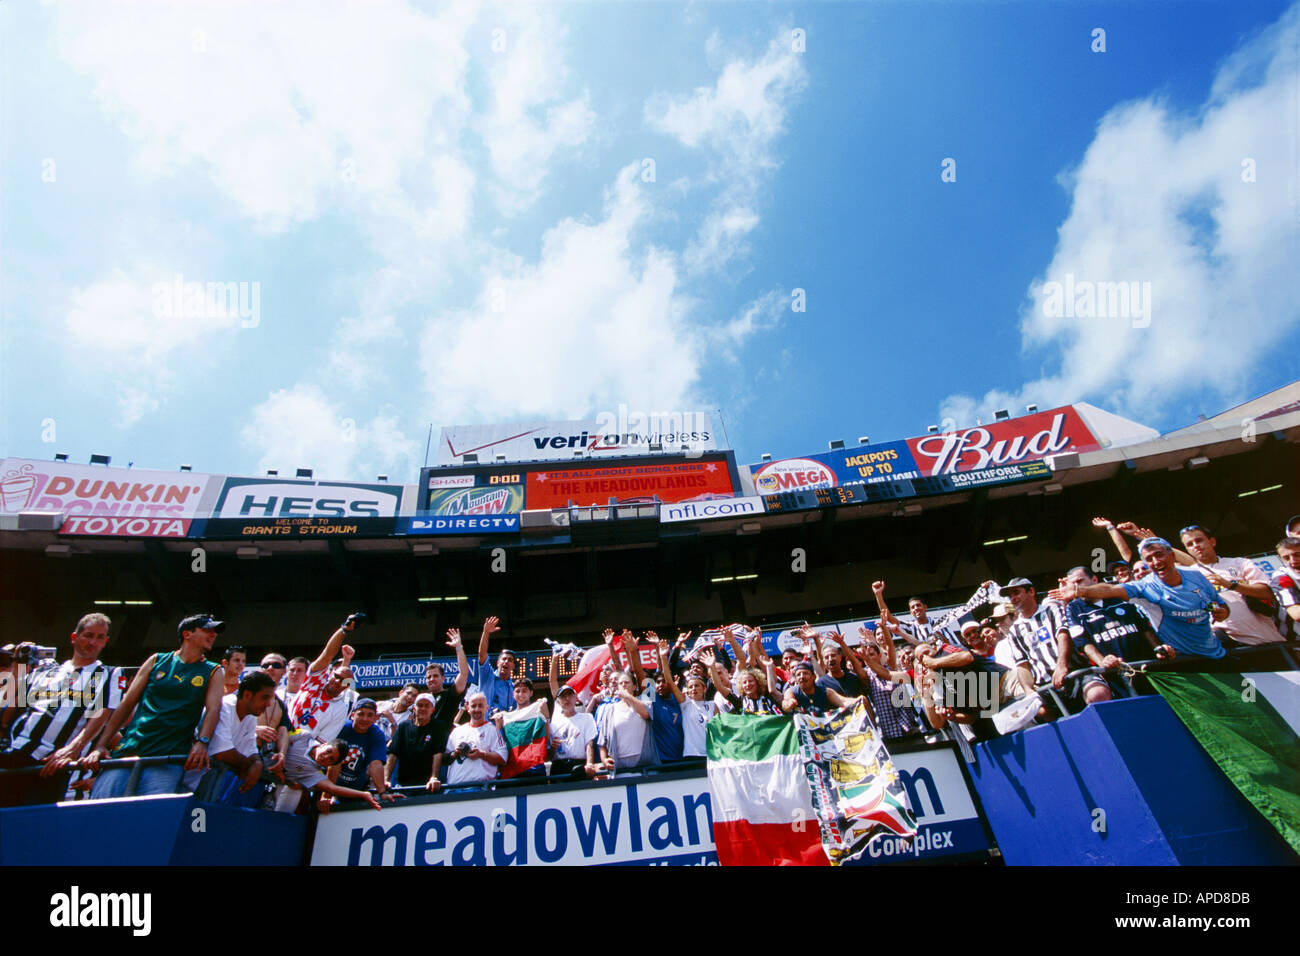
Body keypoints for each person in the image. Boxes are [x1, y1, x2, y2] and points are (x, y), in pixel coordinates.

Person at [86, 613, 226, 798]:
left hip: (168, 758)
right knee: (102, 808)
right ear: (187, 634)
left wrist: (202, 742)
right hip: (130, 750)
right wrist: (100, 746)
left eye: (215, 631)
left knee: (151, 817)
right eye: (207, 630)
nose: (213, 634)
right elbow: (127, 704)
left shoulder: (213, 671)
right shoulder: (156, 660)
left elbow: (213, 710)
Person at [0, 613, 121, 807]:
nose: (93, 642)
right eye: (88, 635)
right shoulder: (45, 670)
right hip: (14, 753)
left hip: (51, 762)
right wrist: (18, 666)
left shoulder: (108, 674)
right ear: (74, 638)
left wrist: (72, 748)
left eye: (100, 638)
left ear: (106, 642)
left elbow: (100, 716)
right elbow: (10, 712)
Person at [1051, 537, 1228, 660]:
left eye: (1159, 555)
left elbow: (1218, 605)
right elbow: (1110, 589)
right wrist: (1079, 590)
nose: (1155, 561)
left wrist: (1220, 612)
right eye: (1149, 559)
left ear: (1172, 556)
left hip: (1216, 652)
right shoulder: (1144, 586)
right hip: (1182, 659)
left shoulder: (1196, 576)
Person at [1053, 566, 1161, 705]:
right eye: (1072, 584)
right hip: (1116, 675)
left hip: (1146, 668)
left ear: (1094, 579)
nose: (1076, 587)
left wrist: (1158, 648)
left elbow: (1144, 627)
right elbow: (1083, 642)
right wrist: (1102, 661)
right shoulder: (1074, 608)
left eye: (1080, 581)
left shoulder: (1117, 596)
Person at [1177, 525, 1283, 646]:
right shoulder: (1188, 576)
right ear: (1187, 550)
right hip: (1226, 642)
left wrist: (1231, 585)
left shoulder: (1240, 563)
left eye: (1199, 540)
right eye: (1190, 544)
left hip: (1264, 638)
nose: (1195, 545)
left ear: (1212, 541)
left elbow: (1268, 593)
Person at [196, 670, 284, 805]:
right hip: (188, 783)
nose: (268, 704)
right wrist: (250, 765)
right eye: (264, 697)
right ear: (248, 695)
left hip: (208, 785)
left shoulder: (250, 715)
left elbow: (250, 749)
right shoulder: (224, 706)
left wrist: (257, 763)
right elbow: (221, 752)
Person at [289, 613, 364, 743]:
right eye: (335, 676)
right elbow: (327, 655)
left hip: (301, 749)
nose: (336, 681)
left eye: (342, 681)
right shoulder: (314, 682)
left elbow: (321, 742)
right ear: (330, 673)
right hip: (282, 737)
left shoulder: (341, 707)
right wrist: (343, 630)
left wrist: (347, 661)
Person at [275, 735, 381, 813]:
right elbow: (281, 734)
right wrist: (281, 755)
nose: (325, 757)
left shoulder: (314, 774)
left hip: (275, 783)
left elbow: (332, 788)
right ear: (324, 744)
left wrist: (363, 794)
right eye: (328, 751)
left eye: (331, 759)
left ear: (330, 765)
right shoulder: (305, 736)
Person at [322, 698, 393, 811]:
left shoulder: (377, 734)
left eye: (370, 715)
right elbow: (334, 763)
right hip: (329, 784)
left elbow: (375, 764)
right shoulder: (342, 728)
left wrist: (382, 792)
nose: (365, 719)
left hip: (356, 789)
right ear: (352, 715)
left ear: (375, 718)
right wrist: (327, 795)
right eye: (361, 714)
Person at [1001, 577, 1067, 694]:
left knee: (1097, 694)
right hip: (1046, 686)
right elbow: (1022, 664)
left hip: (1071, 672)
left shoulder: (1052, 610)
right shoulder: (1014, 631)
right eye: (1010, 596)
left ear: (1031, 591)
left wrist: (1061, 666)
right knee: (1039, 711)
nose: (1013, 599)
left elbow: (1063, 636)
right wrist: (1028, 690)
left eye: (1016, 592)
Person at [547, 647, 600, 777]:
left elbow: (590, 744)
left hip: (579, 765)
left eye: (570, 695)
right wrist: (554, 659)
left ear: (576, 698)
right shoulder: (554, 720)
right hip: (558, 767)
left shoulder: (586, 718)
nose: (567, 699)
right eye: (563, 696)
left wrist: (590, 764)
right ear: (557, 701)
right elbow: (552, 682)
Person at [386, 693, 448, 791]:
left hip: (427, 785)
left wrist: (434, 777)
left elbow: (438, 753)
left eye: (427, 706)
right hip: (403, 783)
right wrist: (386, 780)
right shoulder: (403, 726)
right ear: (414, 709)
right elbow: (393, 754)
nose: (423, 708)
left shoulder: (438, 727)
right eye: (420, 705)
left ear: (433, 710)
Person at [444, 692, 507, 785]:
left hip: (480, 787)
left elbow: (502, 758)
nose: (477, 709)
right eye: (473, 706)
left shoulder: (492, 731)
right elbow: (444, 758)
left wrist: (482, 754)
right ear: (468, 708)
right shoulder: (457, 731)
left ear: (486, 708)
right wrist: (455, 753)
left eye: (480, 706)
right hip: (454, 787)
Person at [596, 670, 653, 770]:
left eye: (626, 682)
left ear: (634, 686)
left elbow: (646, 714)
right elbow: (602, 741)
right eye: (621, 683)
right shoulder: (610, 709)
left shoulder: (644, 701)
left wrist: (626, 695)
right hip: (618, 766)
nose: (623, 685)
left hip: (644, 765)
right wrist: (604, 759)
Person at [467, 616, 516, 715]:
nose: (506, 662)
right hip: (485, 727)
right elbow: (482, 654)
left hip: (504, 729)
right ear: (497, 663)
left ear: (513, 666)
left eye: (510, 660)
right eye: (504, 659)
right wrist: (486, 633)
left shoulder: (514, 688)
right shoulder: (487, 676)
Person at [1270, 537, 1300, 640]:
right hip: (1296, 642)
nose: (1293, 561)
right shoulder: (1281, 577)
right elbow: (1297, 614)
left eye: (1297, 555)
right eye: (1286, 558)